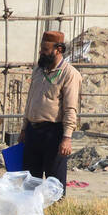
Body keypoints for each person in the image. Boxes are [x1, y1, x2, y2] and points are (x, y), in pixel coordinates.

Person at [20, 30, 81, 190]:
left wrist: (67, 138)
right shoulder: (38, 71)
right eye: (41, 49)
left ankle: (55, 213)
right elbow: (30, 101)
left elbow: (70, 108)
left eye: (45, 50)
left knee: (55, 182)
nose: (41, 53)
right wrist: (24, 128)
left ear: (58, 50)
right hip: (33, 132)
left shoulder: (69, 74)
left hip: (53, 134)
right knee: (30, 181)